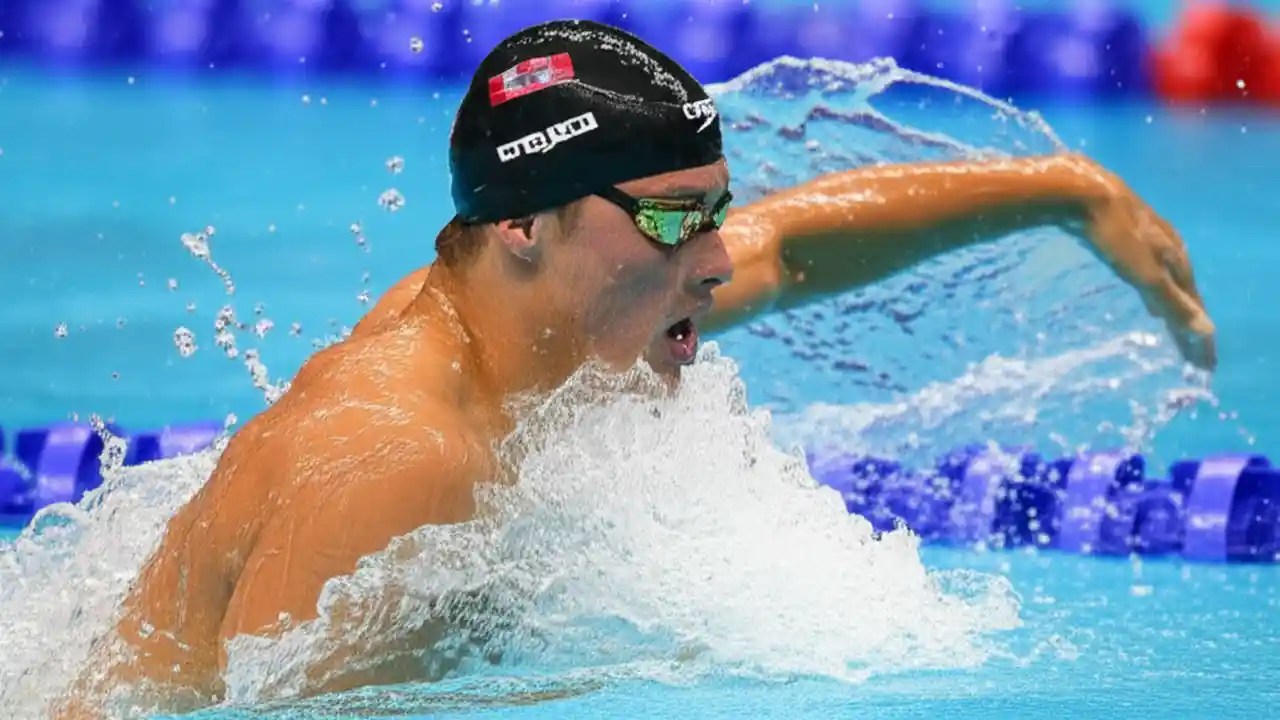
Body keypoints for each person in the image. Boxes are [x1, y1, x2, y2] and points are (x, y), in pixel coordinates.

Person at [54, 18, 1215, 718]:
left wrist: (1067, 193)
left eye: (712, 212)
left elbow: (794, 244)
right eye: (673, 224)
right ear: (524, 224)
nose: (714, 261)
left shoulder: (523, 323)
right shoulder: (400, 462)